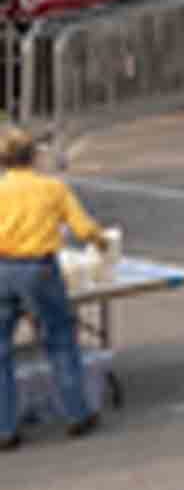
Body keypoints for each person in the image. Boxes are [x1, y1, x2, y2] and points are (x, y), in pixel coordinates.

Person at [0, 124, 116, 443]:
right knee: (61, 340)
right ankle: (77, 413)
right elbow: (82, 228)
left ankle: (4, 428)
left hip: (3, 267)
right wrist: (102, 242)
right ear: (34, 157)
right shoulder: (53, 189)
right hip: (39, 268)